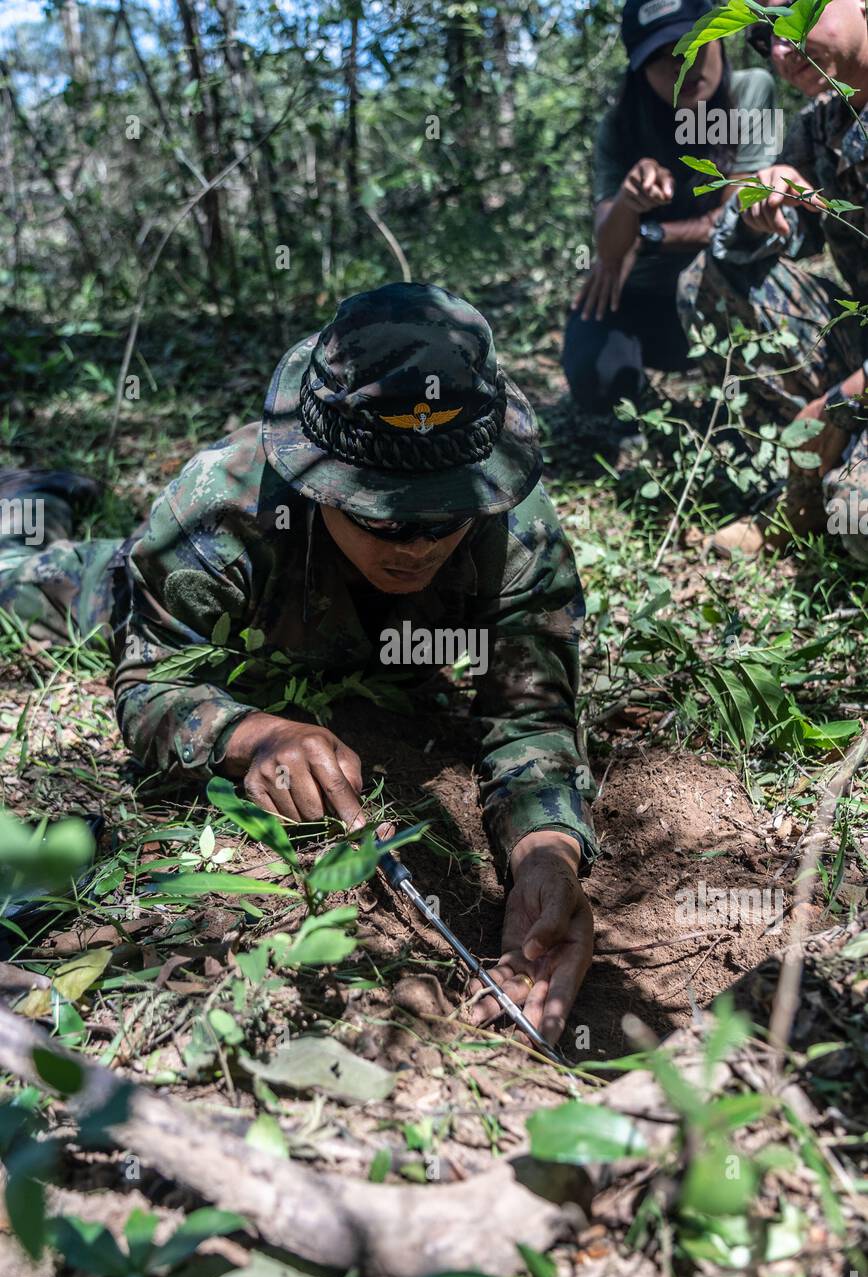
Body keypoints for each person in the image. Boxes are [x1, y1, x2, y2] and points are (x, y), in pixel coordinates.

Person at [0, 282, 597, 1047]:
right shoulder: (220, 518)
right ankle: (35, 501)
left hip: (372, 655)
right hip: (154, 595)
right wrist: (250, 735)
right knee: (27, 580)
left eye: (444, 516)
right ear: (317, 484)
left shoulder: (518, 535)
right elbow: (151, 682)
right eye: (382, 514)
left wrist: (545, 855)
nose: (414, 545)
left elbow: (532, 717)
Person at [678, 0, 868, 560]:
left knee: (857, 522)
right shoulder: (823, 123)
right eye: (766, 39)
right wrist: (762, 198)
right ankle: (800, 476)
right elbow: (749, 246)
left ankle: (826, 474)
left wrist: (837, 401)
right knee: (706, 283)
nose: (783, 50)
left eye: (798, 20)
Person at [562, 0, 780, 426]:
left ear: (717, 38)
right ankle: (631, 416)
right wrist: (629, 200)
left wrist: (647, 235)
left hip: (729, 294)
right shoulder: (622, 125)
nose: (682, 66)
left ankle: (746, 407)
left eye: (692, 44)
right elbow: (608, 250)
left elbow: (737, 217)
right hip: (652, 305)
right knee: (595, 369)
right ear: (639, 70)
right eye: (662, 58)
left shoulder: (751, 92)